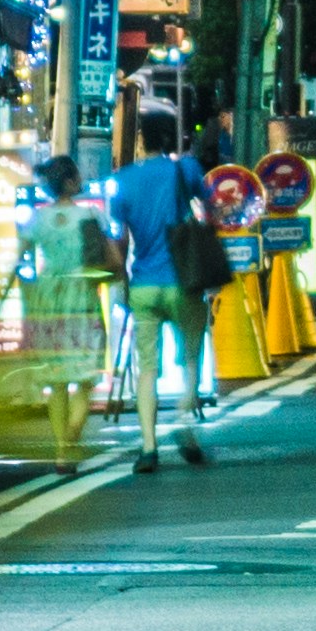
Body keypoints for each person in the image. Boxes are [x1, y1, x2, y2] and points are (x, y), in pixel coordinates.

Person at [101, 109, 217, 469]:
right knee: (192, 355)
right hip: (184, 280)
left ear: (141, 140)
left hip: (143, 285)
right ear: (172, 138)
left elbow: (118, 238)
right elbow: (210, 208)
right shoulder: (186, 169)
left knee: (147, 367)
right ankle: (184, 417)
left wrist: (121, 282)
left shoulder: (122, 180)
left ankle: (148, 447)